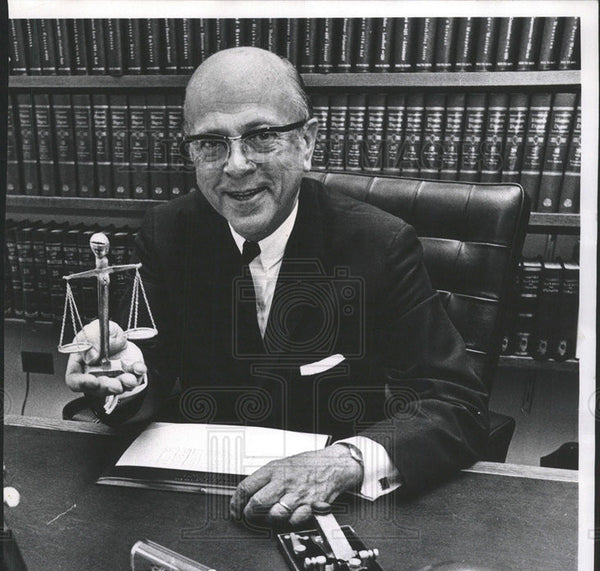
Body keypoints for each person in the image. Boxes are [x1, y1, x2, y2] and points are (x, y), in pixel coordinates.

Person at [66, 47, 489, 525]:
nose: (236, 165)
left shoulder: (380, 244)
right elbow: (153, 376)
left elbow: (456, 404)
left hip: (336, 508)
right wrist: (126, 380)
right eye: (210, 143)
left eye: (261, 136)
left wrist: (344, 463)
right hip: (207, 500)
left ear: (307, 142)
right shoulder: (168, 233)